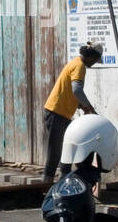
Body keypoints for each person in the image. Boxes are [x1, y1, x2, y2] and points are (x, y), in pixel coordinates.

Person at [41, 42, 102, 183]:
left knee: (66, 148)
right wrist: (88, 107)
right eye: (94, 60)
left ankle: (65, 179)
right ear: (91, 56)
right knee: (55, 151)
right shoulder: (79, 66)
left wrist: (83, 106)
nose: (93, 63)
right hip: (56, 112)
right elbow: (77, 90)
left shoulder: (75, 63)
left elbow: (72, 92)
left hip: (62, 113)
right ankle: (46, 184)